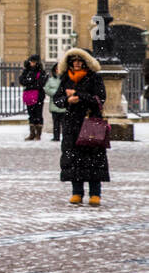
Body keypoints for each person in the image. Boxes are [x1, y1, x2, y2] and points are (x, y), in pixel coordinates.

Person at [57, 48, 109, 206]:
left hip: (90, 121)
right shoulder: (66, 78)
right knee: (74, 160)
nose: (77, 64)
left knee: (93, 159)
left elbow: (100, 99)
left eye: (80, 61)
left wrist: (79, 96)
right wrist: (67, 101)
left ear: (86, 63)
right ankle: (77, 192)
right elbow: (57, 99)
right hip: (72, 124)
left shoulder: (94, 78)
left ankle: (95, 193)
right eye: (74, 61)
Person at [19, 54, 46, 141]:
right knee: (31, 115)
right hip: (29, 95)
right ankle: (32, 133)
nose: (31, 63)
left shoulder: (41, 72)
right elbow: (22, 80)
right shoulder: (26, 71)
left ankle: (38, 134)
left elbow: (41, 83)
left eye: (33, 61)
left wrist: (29, 82)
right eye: (31, 61)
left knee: (38, 114)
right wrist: (31, 82)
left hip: (38, 95)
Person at [44, 62, 67, 142]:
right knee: (56, 123)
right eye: (57, 69)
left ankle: (65, 137)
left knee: (64, 124)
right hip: (54, 104)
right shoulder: (51, 80)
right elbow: (47, 89)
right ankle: (56, 136)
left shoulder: (66, 79)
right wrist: (56, 93)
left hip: (64, 104)